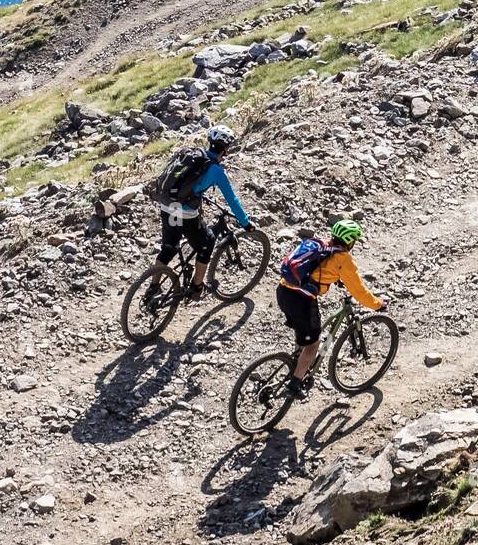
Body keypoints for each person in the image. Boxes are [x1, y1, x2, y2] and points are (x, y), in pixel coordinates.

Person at [277, 220, 387, 396]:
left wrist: (335, 278)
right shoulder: (344, 260)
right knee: (313, 344)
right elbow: (359, 291)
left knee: (304, 330)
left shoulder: (321, 244)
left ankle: (298, 358)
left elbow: (318, 268)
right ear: (350, 242)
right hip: (301, 300)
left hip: (283, 291)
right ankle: (294, 385)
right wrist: (377, 304)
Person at [148, 124, 255, 302]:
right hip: (186, 213)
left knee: (169, 248)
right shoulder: (216, 170)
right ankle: (197, 287)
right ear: (225, 150)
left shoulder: (192, 155)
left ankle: (153, 287)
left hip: (168, 205)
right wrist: (245, 222)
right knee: (207, 242)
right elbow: (232, 200)